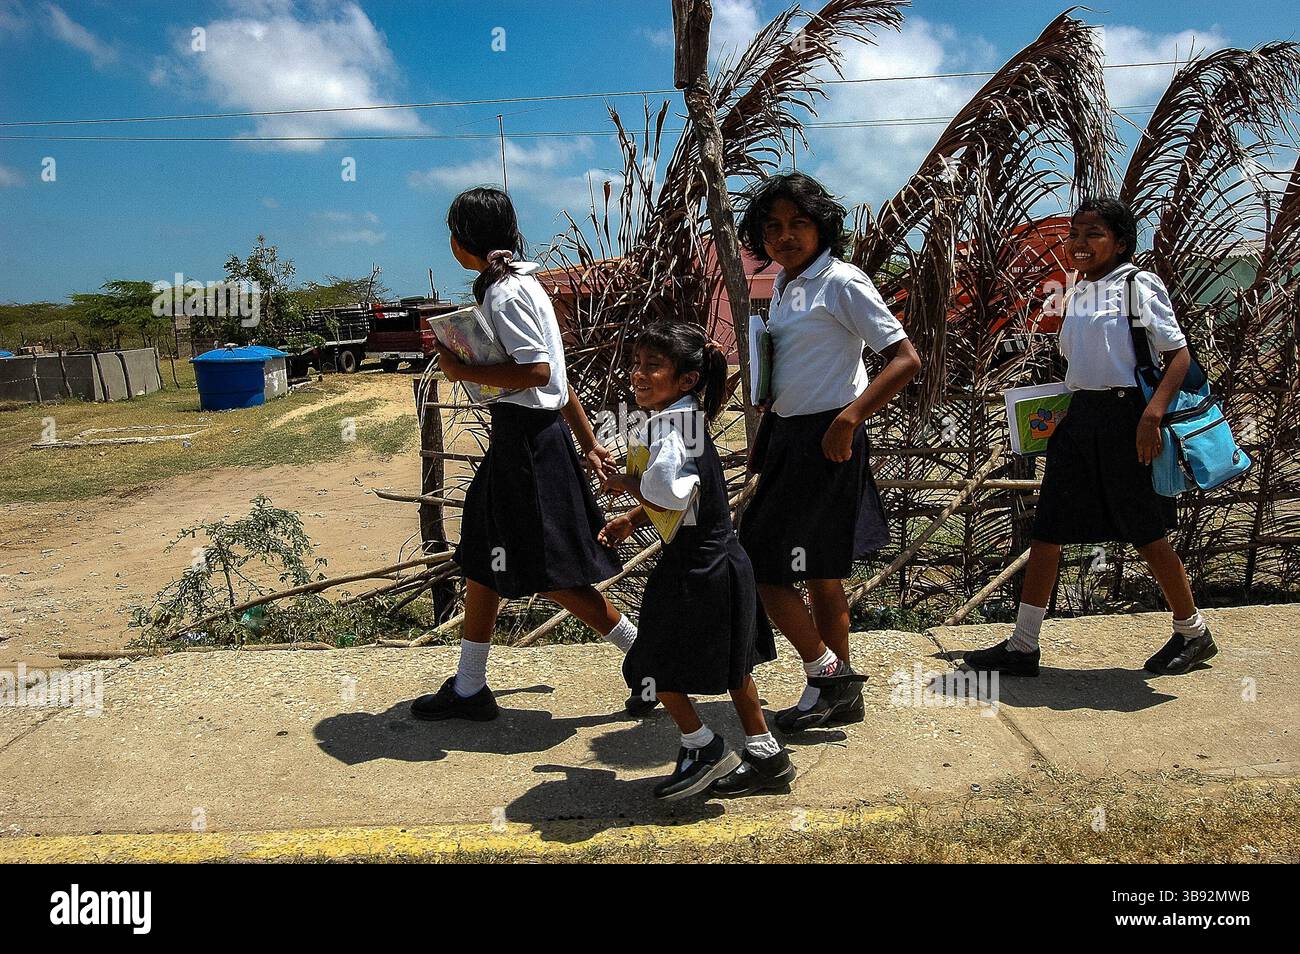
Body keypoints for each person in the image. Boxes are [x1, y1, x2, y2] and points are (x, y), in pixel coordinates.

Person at [410, 186, 645, 722]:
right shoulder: (522, 286)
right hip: (524, 439)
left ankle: (646, 653)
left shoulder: (507, 294)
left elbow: (537, 372)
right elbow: (559, 383)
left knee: (550, 571)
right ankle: (469, 687)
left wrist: (463, 370)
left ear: (459, 241)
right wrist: (587, 443)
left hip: (528, 447)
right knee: (481, 555)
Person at [964, 196, 1216, 678]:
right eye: (1075, 234)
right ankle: (1023, 645)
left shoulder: (1137, 284)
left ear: (1120, 242)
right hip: (1080, 421)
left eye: (1093, 234)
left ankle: (1193, 631)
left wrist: (1152, 418)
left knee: (1146, 532)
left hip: (1130, 421)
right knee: (1049, 529)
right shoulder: (1078, 291)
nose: (1080, 243)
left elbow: (1179, 356)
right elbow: (1079, 366)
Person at [735, 172, 921, 732]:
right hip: (791, 437)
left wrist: (850, 417)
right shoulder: (791, 284)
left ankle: (827, 674)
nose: (785, 235)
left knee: (762, 564)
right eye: (773, 227)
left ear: (823, 227)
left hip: (828, 438)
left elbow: (905, 359)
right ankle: (837, 691)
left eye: (798, 223)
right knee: (818, 571)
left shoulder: (842, 281)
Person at [598, 321, 794, 799]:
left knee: (652, 661)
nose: (638, 375)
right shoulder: (683, 419)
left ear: (686, 379)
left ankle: (700, 744)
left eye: (653, 366)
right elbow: (687, 497)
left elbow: (667, 487)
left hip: (695, 569)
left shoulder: (672, 427)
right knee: (734, 667)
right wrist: (633, 517)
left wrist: (627, 484)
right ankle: (767, 755)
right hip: (722, 561)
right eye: (636, 365)